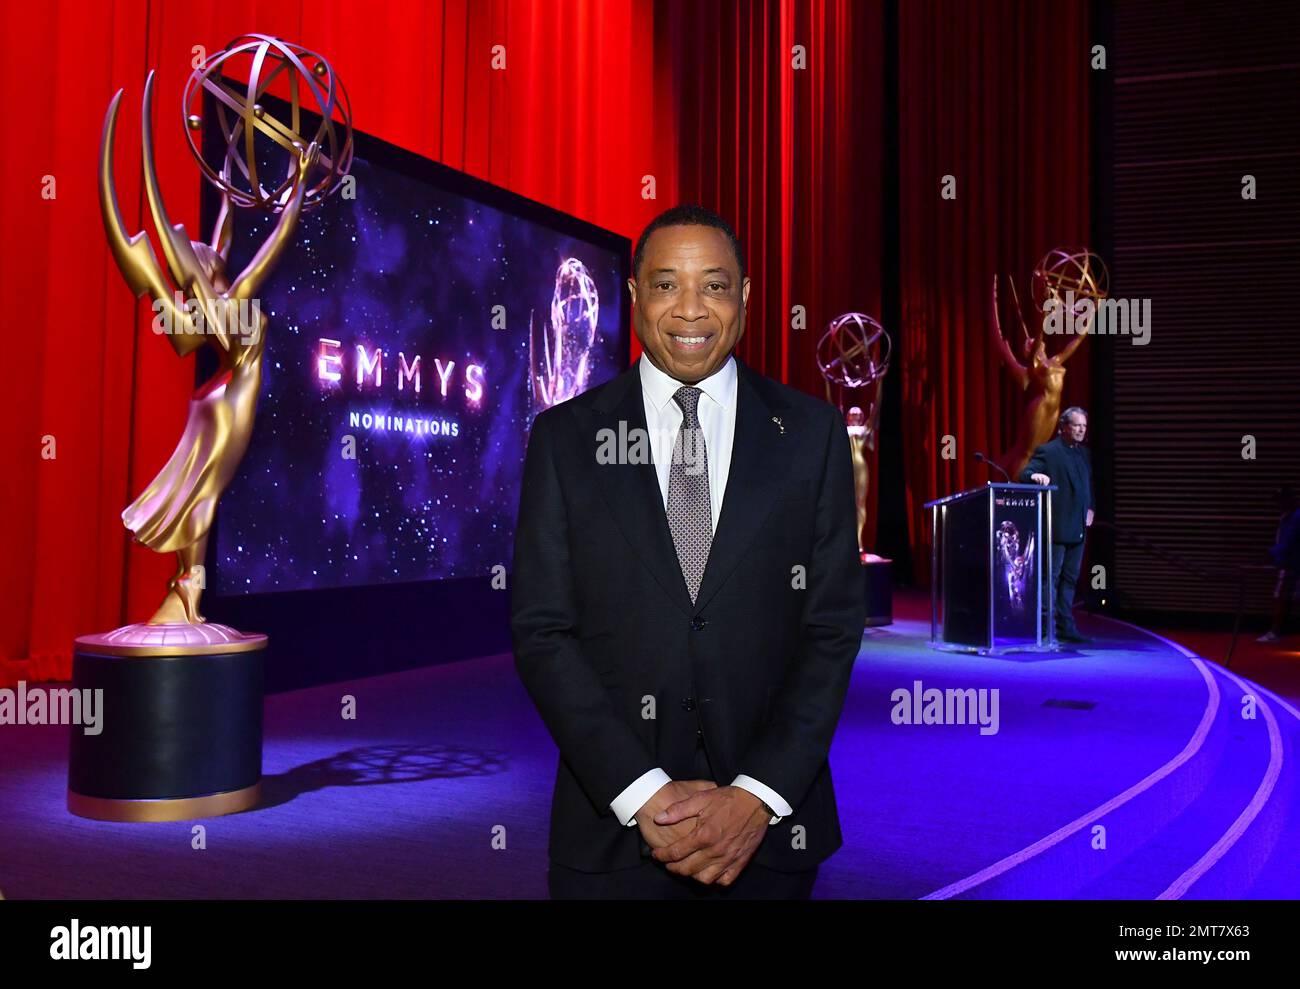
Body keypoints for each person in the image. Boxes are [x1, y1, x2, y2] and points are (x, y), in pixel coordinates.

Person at [510, 204, 864, 899]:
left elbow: (831, 628)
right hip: (609, 833)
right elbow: (542, 631)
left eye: (715, 284)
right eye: (667, 284)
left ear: (746, 296)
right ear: (636, 295)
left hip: (770, 839)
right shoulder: (565, 440)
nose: (691, 308)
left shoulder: (812, 434)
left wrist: (756, 796)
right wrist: (644, 794)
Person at [1020, 407, 1095, 644]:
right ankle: (1044, 628)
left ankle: (1065, 627)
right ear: (1064, 427)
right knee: (1050, 578)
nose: (1082, 429)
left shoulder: (1084, 454)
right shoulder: (1049, 451)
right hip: (1057, 526)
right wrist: (1034, 477)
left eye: (1084, 425)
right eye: (1076, 425)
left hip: (1078, 526)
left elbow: (1087, 485)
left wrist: (1090, 507)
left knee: (1070, 579)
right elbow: (1026, 472)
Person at [1258, 485, 1300, 643]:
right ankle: (1279, 631)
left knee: (1280, 598)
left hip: (1292, 566)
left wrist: (1269, 555)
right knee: (1283, 598)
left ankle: (1276, 632)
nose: (1279, 503)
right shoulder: (1287, 516)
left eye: (1282, 499)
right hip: (1289, 564)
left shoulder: (1296, 517)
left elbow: (1288, 542)